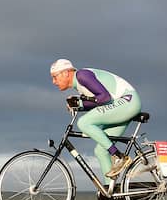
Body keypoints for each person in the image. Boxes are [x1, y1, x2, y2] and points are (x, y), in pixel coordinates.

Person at [49, 58, 142, 187]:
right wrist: (80, 104)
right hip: (123, 104)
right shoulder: (79, 85)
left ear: (66, 73)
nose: (54, 82)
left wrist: (81, 101)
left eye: (55, 77)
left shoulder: (82, 75)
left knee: (84, 123)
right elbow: (98, 101)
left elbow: (105, 98)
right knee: (100, 150)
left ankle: (119, 156)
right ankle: (110, 193)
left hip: (127, 101)